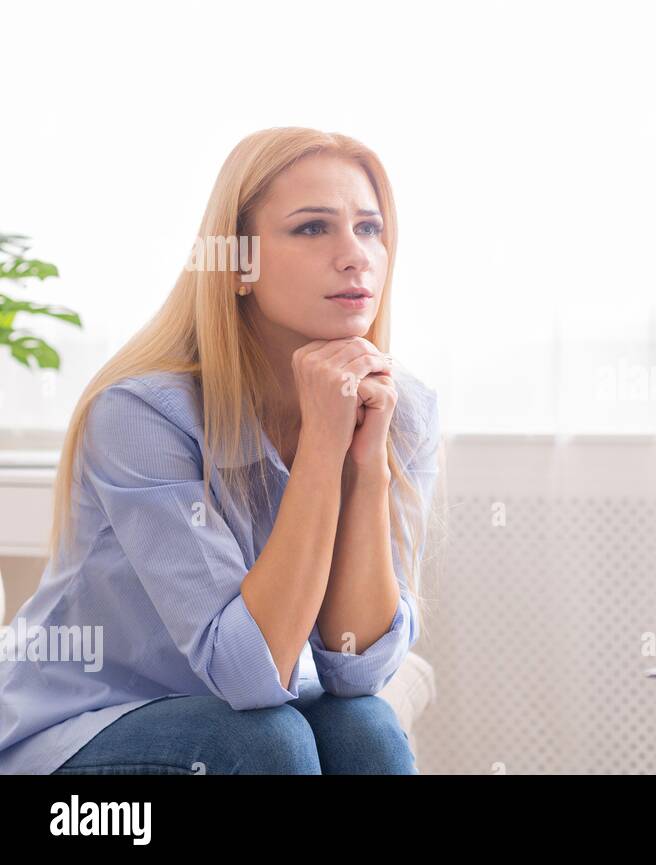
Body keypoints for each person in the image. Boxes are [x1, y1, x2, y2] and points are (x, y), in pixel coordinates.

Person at [0, 127, 439, 774]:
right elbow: (248, 674)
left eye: (369, 227)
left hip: (237, 719)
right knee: (265, 741)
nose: (356, 256)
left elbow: (359, 666)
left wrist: (366, 466)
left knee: (365, 727)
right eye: (313, 229)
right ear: (237, 264)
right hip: (82, 728)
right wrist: (321, 446)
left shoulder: (403, 407)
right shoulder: (142, 415)